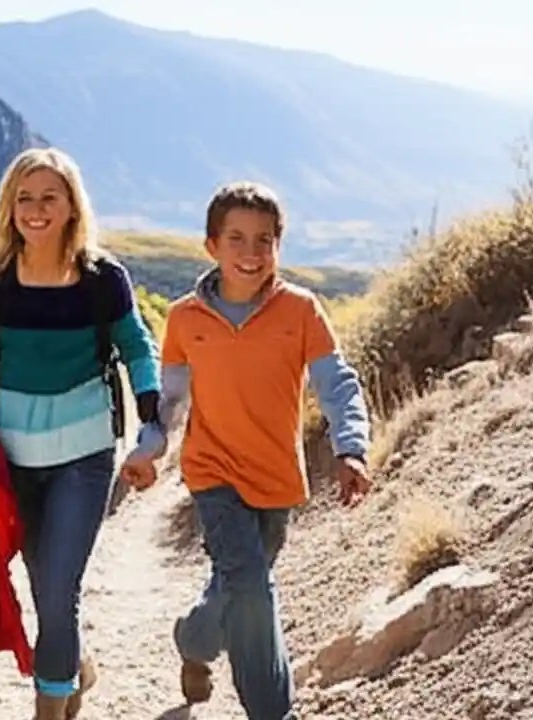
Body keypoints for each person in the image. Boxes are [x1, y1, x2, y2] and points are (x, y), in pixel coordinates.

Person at [123, 181, 372, 720]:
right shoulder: (187, 318)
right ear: (211, 245)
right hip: (212, 475)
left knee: (238, 585)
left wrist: (350, 447)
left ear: (279, 246)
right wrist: (150, 448)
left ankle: (193, 639)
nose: (251, 252)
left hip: (278, 478)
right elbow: (169, 400)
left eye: (265, 240)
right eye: (236, 238)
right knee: (255, 590)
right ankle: (273, 711)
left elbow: (338, 384)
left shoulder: (302, 310)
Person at [0, 147, 163, 719]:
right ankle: (75, 670)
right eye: (25, 198)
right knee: (44, 588)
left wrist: (153, 420)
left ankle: (49, 708)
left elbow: (138, 349)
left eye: (50, 197)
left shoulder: (102, 278)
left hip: (85, 451)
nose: (36, 209)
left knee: (60, 589)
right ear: (9, 207)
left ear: (72, 205)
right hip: (13, 454)